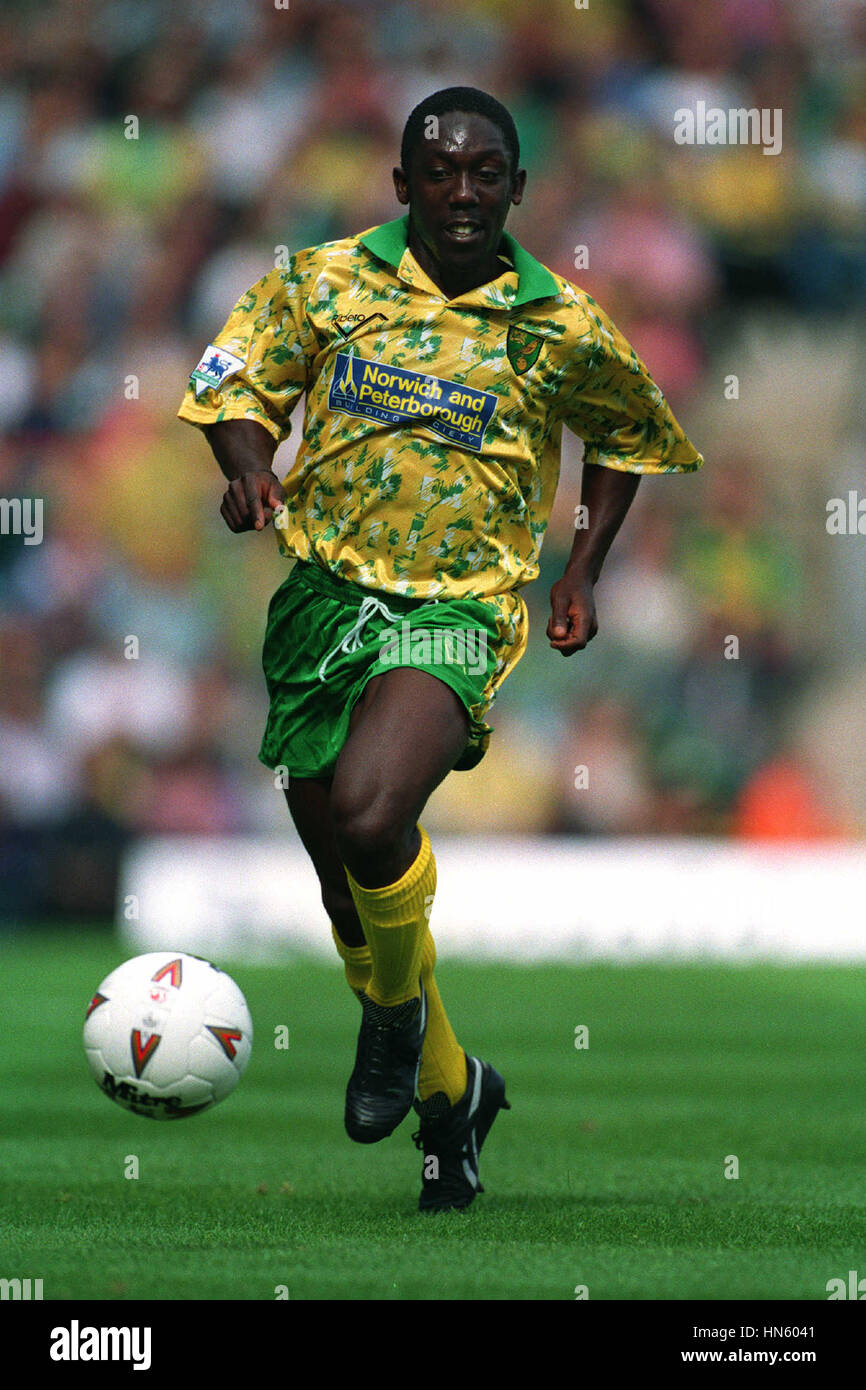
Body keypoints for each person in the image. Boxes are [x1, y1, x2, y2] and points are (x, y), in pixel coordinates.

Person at [178, 86, 702, 1212]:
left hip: (457, 607)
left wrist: (579, 569)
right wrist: (245, 464)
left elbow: (624, 435)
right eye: (440, 169)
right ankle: (451, 1090)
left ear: (516, 188)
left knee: (373, 814)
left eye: (485, 172)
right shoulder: (321, 281)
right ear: (400, 183)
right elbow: (236, 382)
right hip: (323, 598)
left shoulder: (559, 321)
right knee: (342, 881)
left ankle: (388, 1021)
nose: (462, 191)